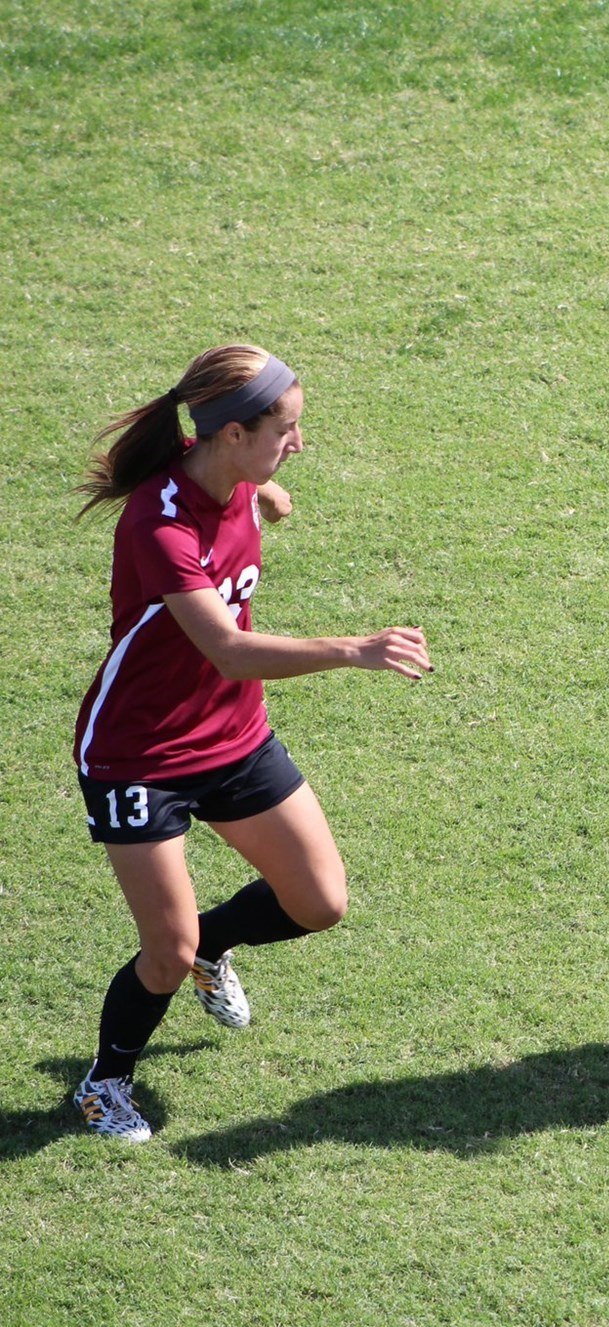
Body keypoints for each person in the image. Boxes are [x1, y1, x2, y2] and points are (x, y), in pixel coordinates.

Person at [69, 345, 433, 1142]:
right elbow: (228, 649)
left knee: (319, 901)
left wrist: (266, 492)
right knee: (161, 951)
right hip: (140, 756)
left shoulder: (228, 469)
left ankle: (213, 948)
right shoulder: (160, 524)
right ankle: (105, 1082)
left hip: (232, 733)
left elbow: (269, 492)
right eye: (286, 430)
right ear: (231, 434)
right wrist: (354, 649)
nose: (297, 443)